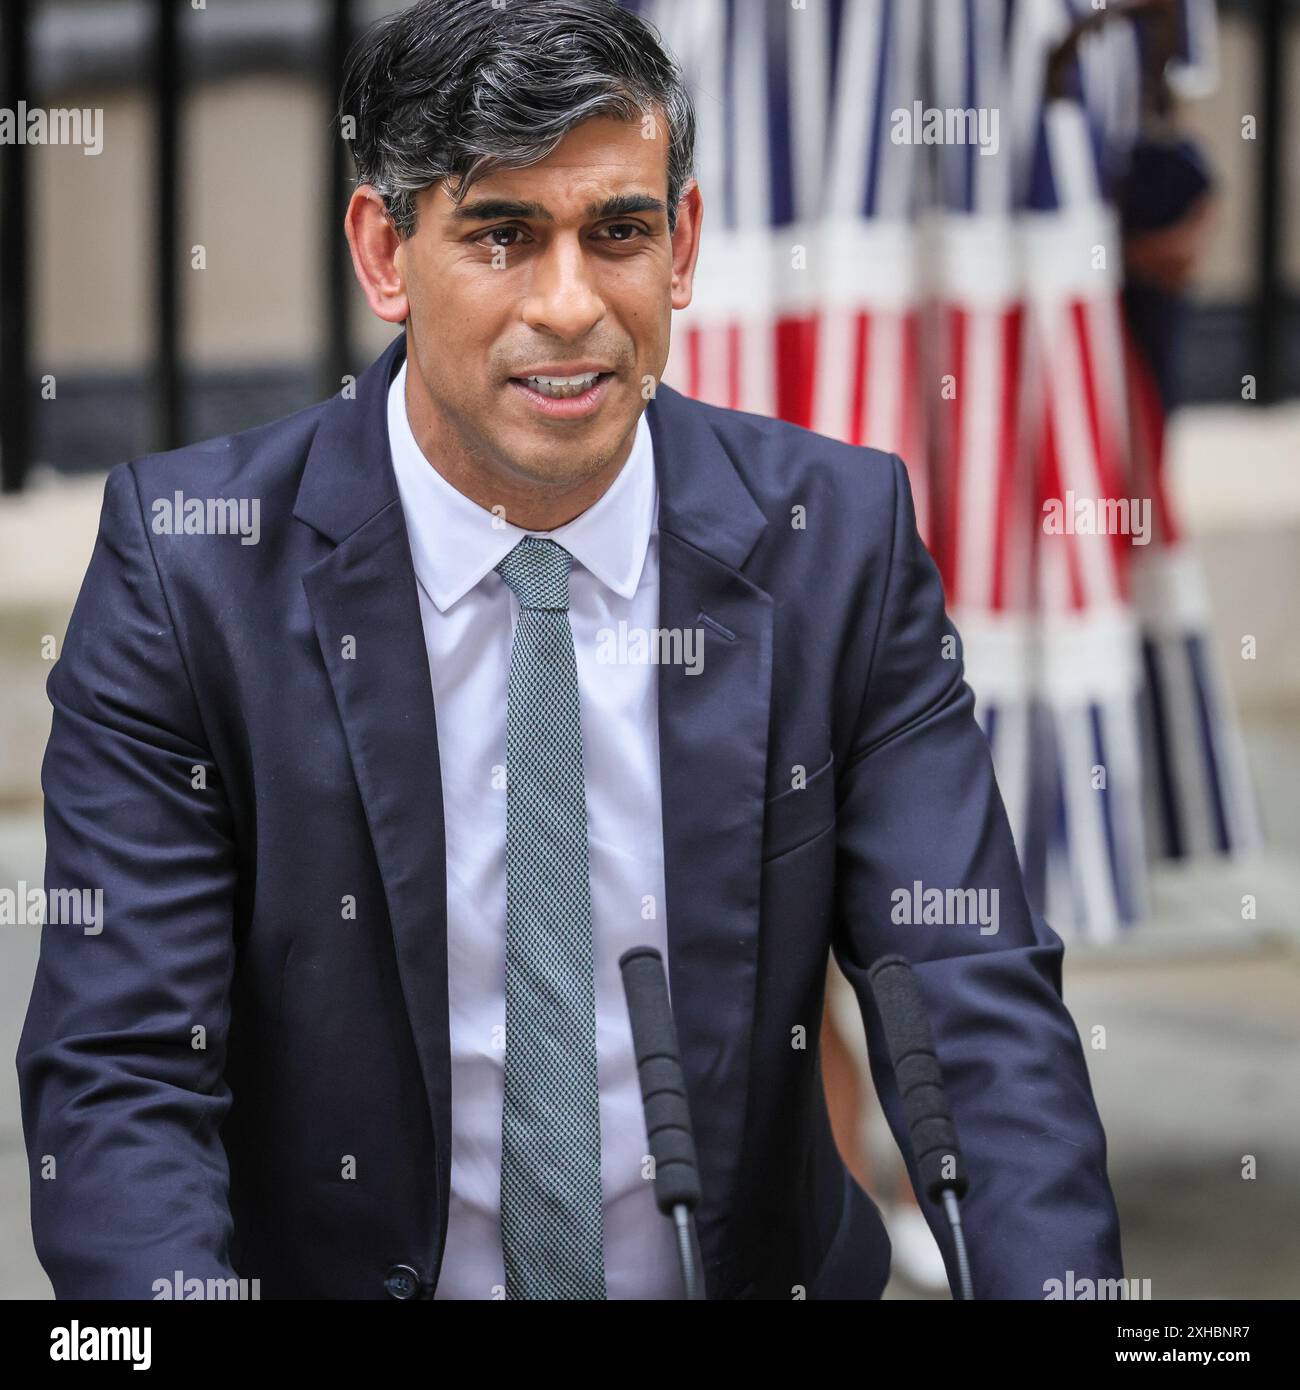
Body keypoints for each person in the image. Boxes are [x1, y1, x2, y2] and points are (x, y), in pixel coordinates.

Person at [16, 0, 1122, 1300]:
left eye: (618, 233)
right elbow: (124, 1073)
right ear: (384, 250)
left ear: (684, 243)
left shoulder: (837, 542)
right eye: (501, 235)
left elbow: (976, 1001)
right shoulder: (191, 568)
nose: (570, 303)